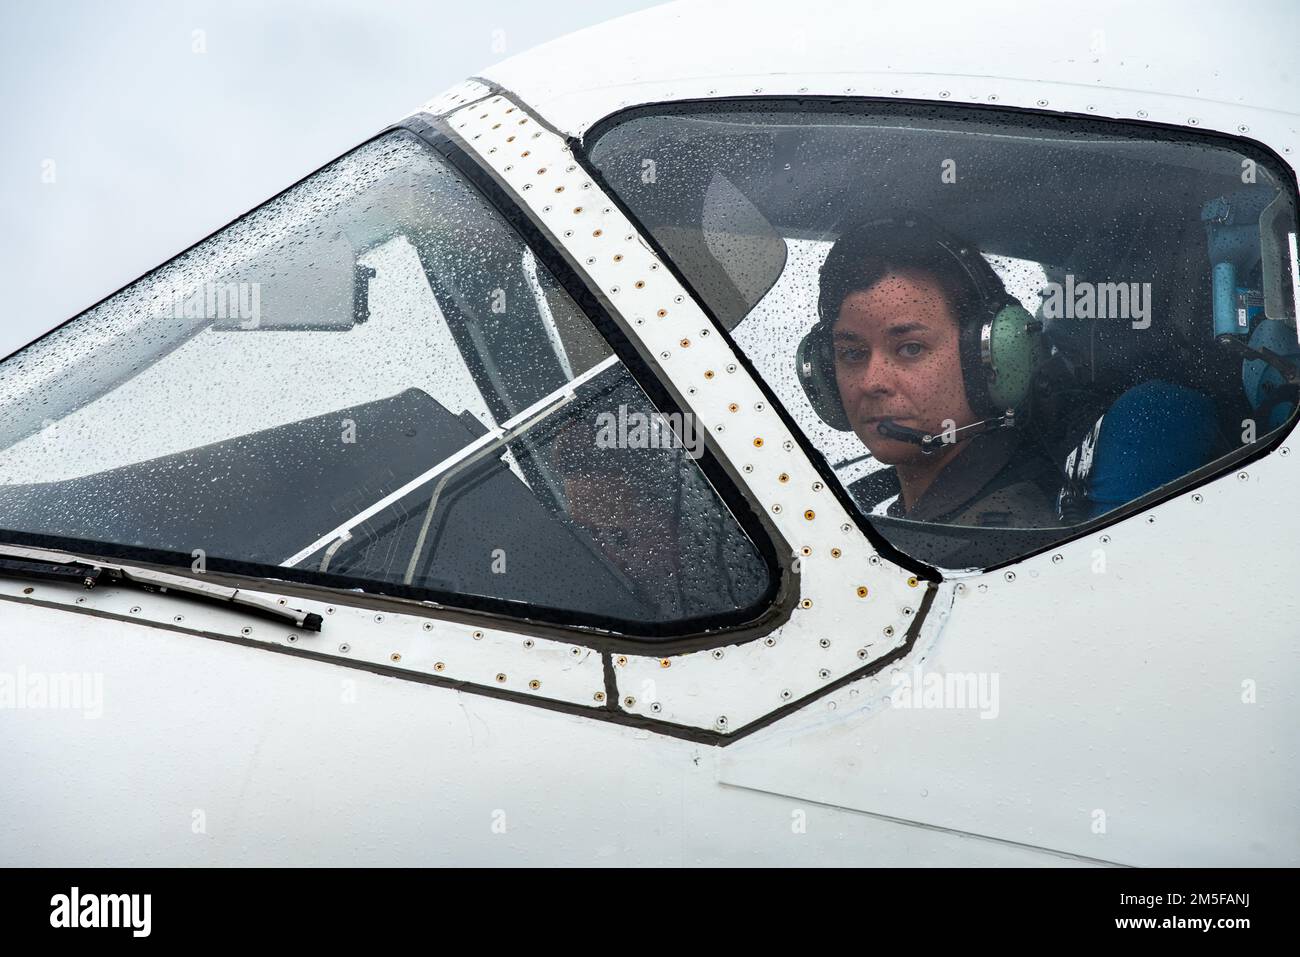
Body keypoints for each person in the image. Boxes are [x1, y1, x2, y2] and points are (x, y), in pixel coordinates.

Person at [801, 214, 1060, 528]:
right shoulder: (898, 516)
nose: (872, 382)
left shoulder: (1007, 537)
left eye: (911, 348)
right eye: (852, 354)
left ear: (992, 356)